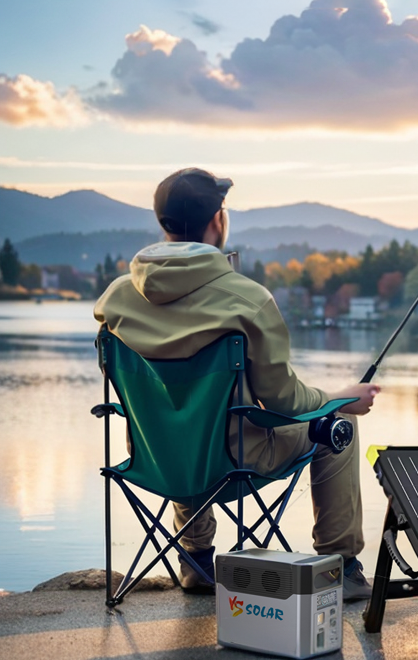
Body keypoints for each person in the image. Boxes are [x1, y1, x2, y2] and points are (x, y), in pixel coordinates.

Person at [94, 168, 379, 600]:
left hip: (157, 462)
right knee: (338, 426)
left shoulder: (114, 299)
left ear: (163, 224)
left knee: (180, 416)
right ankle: (342, 568)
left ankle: (196, 561)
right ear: (217, 220)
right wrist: (340, 399)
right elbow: (284, 399)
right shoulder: (246, 298)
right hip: (236, 465)